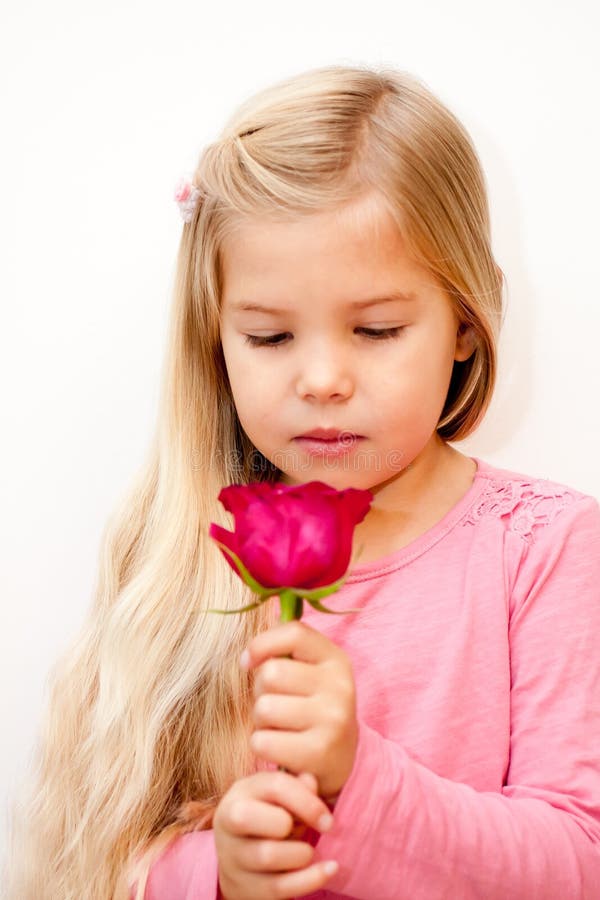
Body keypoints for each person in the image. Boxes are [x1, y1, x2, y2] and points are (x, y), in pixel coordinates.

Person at [5, 63, 600, 900]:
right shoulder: (179, 549)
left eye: (377, 329)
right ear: (216, 338)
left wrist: (357, 776)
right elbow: (107, 853)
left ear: (467, 322)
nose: (321, 380)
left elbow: (579, 862)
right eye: (270, 337)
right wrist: (216, 872)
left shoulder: (545, 549)